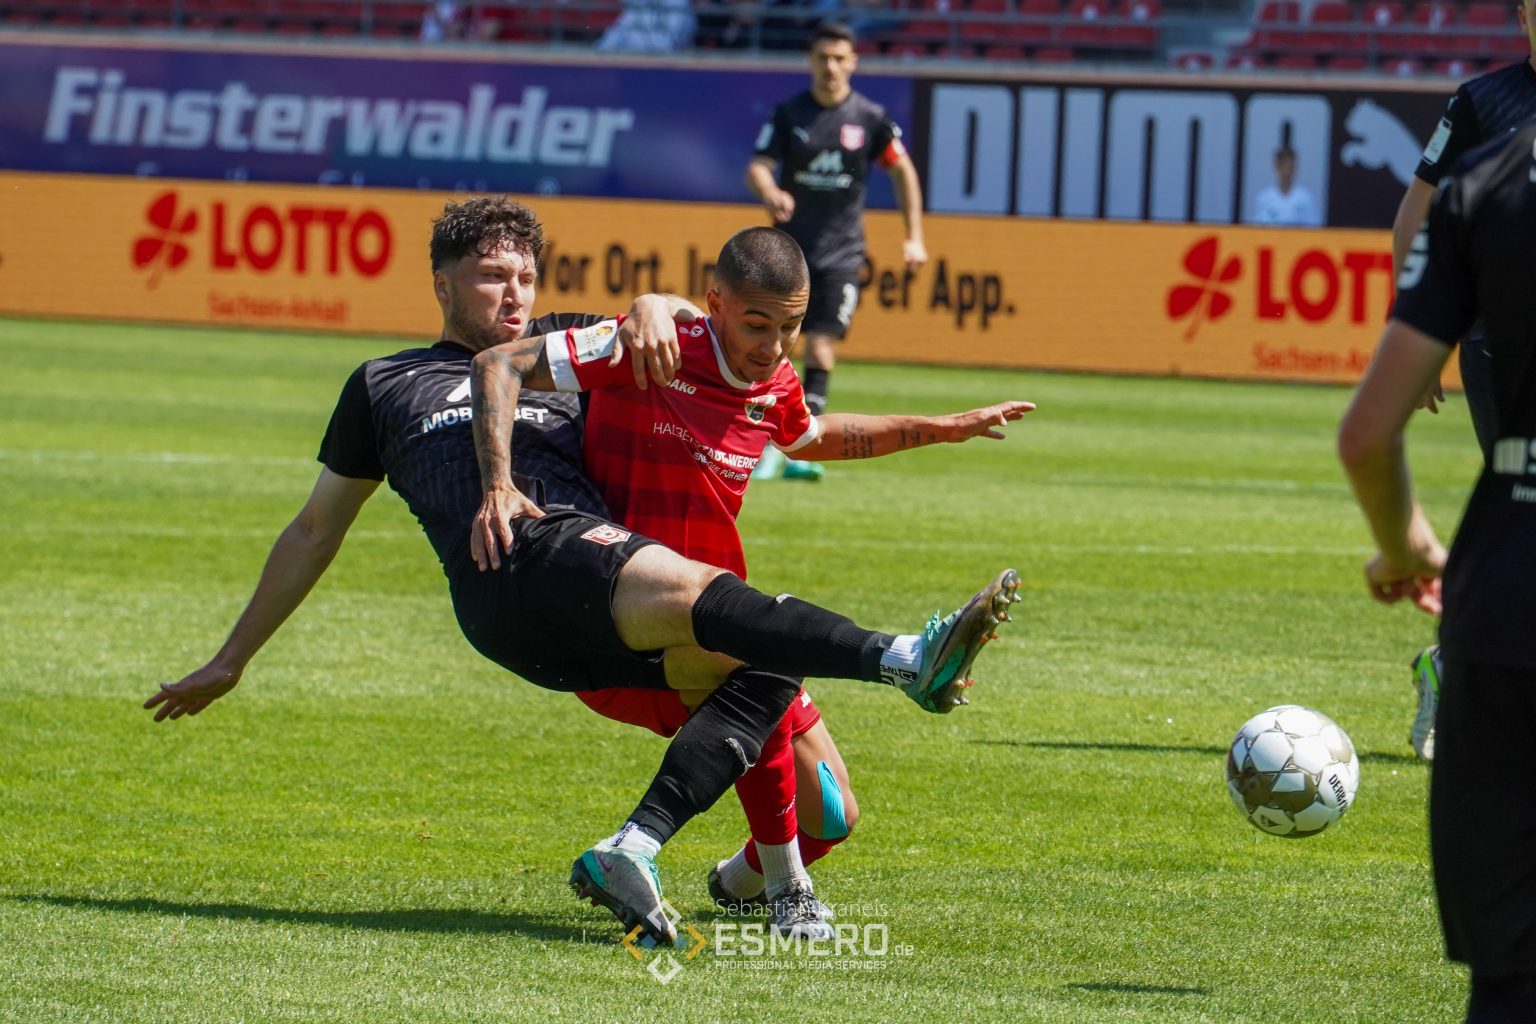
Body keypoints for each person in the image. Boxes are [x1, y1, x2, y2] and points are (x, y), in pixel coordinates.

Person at [143, 196, 1017, 945]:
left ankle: (683, 865)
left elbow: (691, 330)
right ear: (441, 283)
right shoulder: (382, 384)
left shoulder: (566, 340)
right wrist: (232, 659)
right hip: (525, 566)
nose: (514, 293)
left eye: (526, 276)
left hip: (604, 593)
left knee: (817, 778)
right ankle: (905, 660)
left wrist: (651, 303)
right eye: (492, 275)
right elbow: (312, 531)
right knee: (746, 627)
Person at [466, 225, 1032, 932]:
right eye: (758, 324)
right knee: (760, 664)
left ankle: (734, 884)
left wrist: (940, 428)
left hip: (725, 609)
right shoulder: (650, 347)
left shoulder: (776, 381)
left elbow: (814, 437)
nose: (774, 345)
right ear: (715, 304)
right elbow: (498, 364)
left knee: (832, 814)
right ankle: (787, 891)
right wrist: (498, 485)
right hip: (625, 618)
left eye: (790, 327)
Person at [1340, 123, 1536, 1024]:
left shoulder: (1487, 182)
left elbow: (1366, 437)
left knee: (1510, 977)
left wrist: (1411, 546)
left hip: (1507, 595)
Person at [1386, 16, 1536, 762]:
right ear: (1523, 17)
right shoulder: (1483, 102)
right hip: (1498, 342)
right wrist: (1417, 334)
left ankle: (1455, 666)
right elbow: (1416, 211)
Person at [745, 20, 927, 482]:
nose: (831, 67)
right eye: (823, 58)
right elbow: (759, 166)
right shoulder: (790, 114)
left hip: (842, 254)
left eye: (839, 58)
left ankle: (796, 449)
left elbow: (903, 171)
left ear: (853, 62)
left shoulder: (869, 118)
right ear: (811, 61)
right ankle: (763, 440)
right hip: (788, 254)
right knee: (775, 346)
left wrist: (914, 236)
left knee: (822, 346)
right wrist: (770, 191)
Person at [1249, 146, 1320, 227]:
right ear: (1276, 166)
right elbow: (1258, 228)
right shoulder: (1264, 198)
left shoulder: (1306, 198)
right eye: (1284, 165)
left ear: (1295, 168)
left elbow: (1314, 228)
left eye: (1290, 166)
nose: (1287, 170)